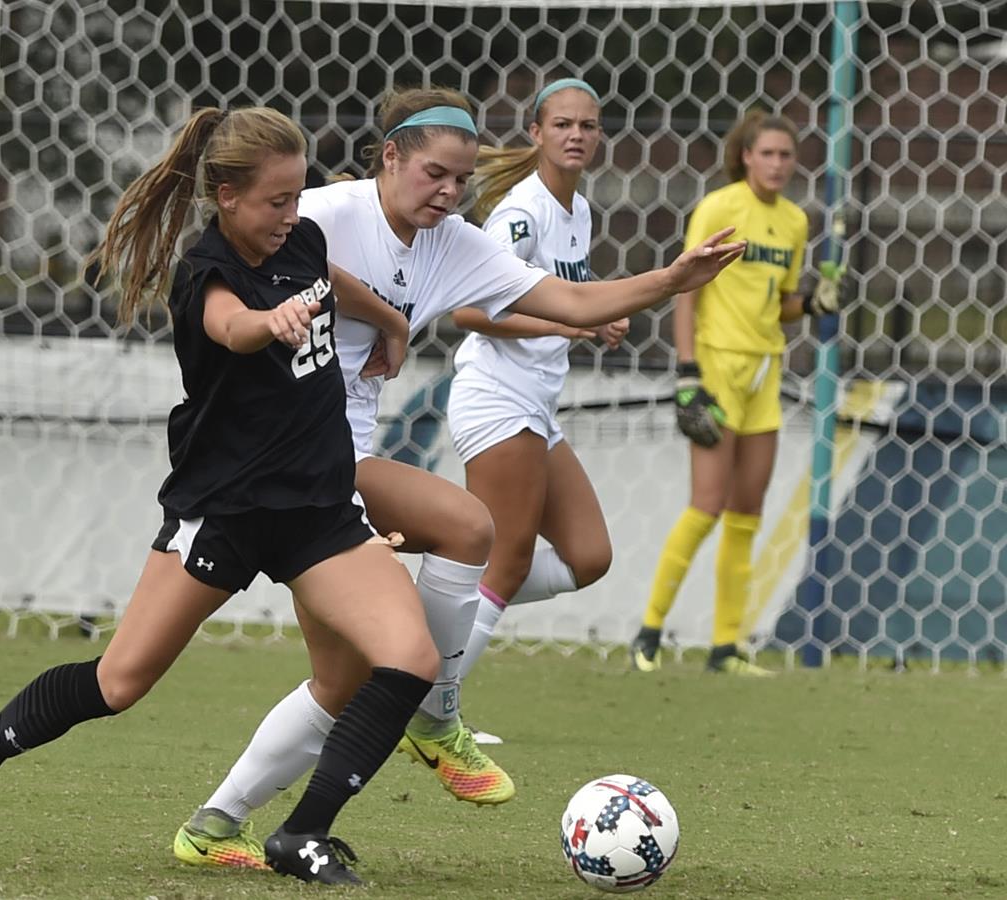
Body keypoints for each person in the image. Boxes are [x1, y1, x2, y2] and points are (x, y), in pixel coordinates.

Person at [172, 86, 745, 871]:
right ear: (391, 157)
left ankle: (213, 823)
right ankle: (435, 717)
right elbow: (244, 249)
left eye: (460, 180)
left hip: (336, 466)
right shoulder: (325, 211)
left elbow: (574, 300)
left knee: (339, 681)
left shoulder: (458, 243)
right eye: (434, 175)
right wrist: (372, 320)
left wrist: (672, 280)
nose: (448, 193)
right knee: (472, 533)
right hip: (287, 470)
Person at [0, 106, 440, 886]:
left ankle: (301, 832)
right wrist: (275, 319)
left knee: (409, 658)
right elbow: (234, 327)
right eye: (276, 201)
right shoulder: (203, 273)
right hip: (225, 513)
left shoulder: (300, 240)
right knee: (117, 683)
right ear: (226, 197)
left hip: (318, 511)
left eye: (299, 197)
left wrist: (387, 317)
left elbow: (324, 275)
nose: (292, 216)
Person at [630, 110, 839, 676]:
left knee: (747, 510)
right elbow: (686, 290)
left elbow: (783, 305)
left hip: (765, 373)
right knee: (707, 504)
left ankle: (727, 647)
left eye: (785, 155)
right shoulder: (720, 208)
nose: (776, 164)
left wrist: (815, 303)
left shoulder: (795, 221)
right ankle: (649, 632)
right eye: (766, 153)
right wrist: (688, 372)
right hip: (717, 368)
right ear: (745, 156)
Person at [441, 78, 626, 716]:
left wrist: (592, 317)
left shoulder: (579, 211)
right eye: (564, 124)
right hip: (496, 397)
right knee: (508, 557)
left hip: (536, 407)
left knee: (588, 556)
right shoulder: (521, 212)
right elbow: (467, 309)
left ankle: (440, 609)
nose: (577, 135)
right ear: (537, 133)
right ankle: (435, 704)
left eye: (589, 126)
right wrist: (568, 324)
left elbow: (553, 294)